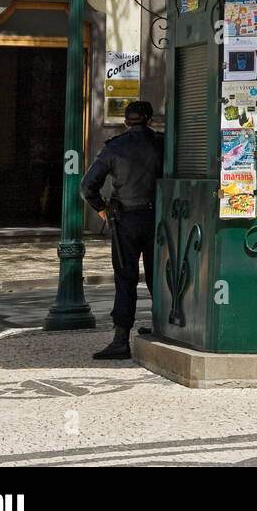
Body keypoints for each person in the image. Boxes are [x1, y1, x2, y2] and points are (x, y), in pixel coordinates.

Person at [81, 100, 164, 360]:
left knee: (125, 278)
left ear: (126, 122)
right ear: (149, 120)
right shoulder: (162, 144)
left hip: (125, 219)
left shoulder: (114, 147)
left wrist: (100, 209)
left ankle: (120, 339)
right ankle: (162, 325)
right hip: (157, 216)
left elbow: (87, 186)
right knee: (158, 276)